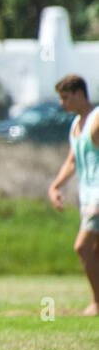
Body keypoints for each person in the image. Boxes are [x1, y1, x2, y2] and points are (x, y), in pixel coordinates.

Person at [46, 74, 99, 316]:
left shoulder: (96, 120)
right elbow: (72, 161)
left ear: (79, 94)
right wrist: (55, 186)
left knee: (82, 247)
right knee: (94, 251)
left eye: (65, 97)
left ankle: (97, 303)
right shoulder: (76, 125)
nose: (62, 103)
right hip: (87, 196)